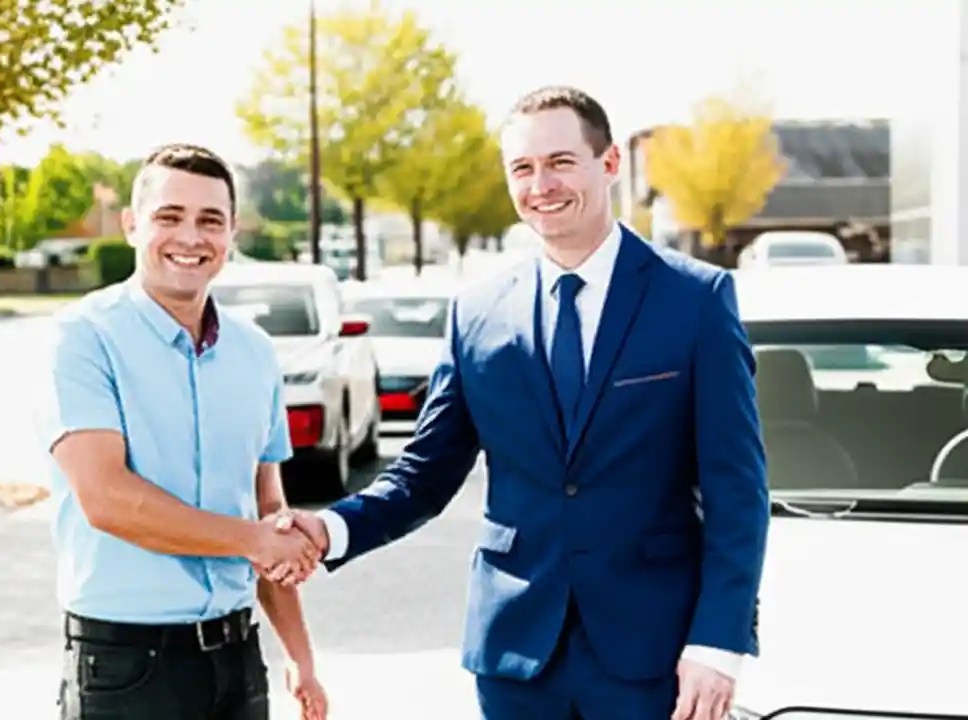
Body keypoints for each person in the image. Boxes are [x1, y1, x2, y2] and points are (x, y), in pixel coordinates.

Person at [276, 87, 770, 719]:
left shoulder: (695, 300)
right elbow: (426, 472)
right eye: (523, 168)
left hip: (655, 657)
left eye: (561, 162)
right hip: (515, 660)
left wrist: (719, 642)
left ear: (610, 163)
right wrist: (330, 527)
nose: (541, 185)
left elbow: (737, 490)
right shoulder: (476, 313)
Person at [37, 143, 329, 720]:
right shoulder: (83, 339)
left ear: (231, 234)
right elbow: (108, 500)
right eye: (169, 217)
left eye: (210, 221)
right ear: (131, 226)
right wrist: (253, 540)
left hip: (237, 663)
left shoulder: (255, 353)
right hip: (126, 669)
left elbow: (267, 508)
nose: (190, 238)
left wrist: (299, 654)